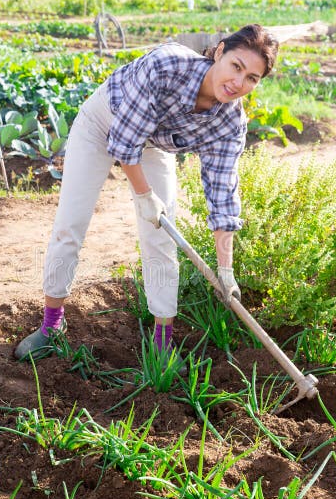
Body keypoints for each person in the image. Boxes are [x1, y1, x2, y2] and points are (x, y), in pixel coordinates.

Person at [15, 24, 279, 361]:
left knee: (162, 239)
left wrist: (225, 269)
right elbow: (125, 142)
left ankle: (162, 344)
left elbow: (223, 193)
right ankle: (52, 325)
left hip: (155, 144)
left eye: (252, 78)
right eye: (236, 67)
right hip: (103, 122)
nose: (238, 83)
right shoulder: (166, 66)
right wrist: (144, 197)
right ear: (219, 52)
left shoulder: (229, 123)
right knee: (72, 222)